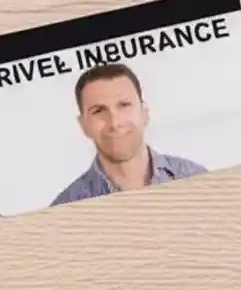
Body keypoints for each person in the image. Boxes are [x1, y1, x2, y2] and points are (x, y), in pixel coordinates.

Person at [51, 62, 205, 206]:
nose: (115, 123)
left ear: (144, 113)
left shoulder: (198, 180)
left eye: (124, 105)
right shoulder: (65, 208)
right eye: (98, 111)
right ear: (83, 125)